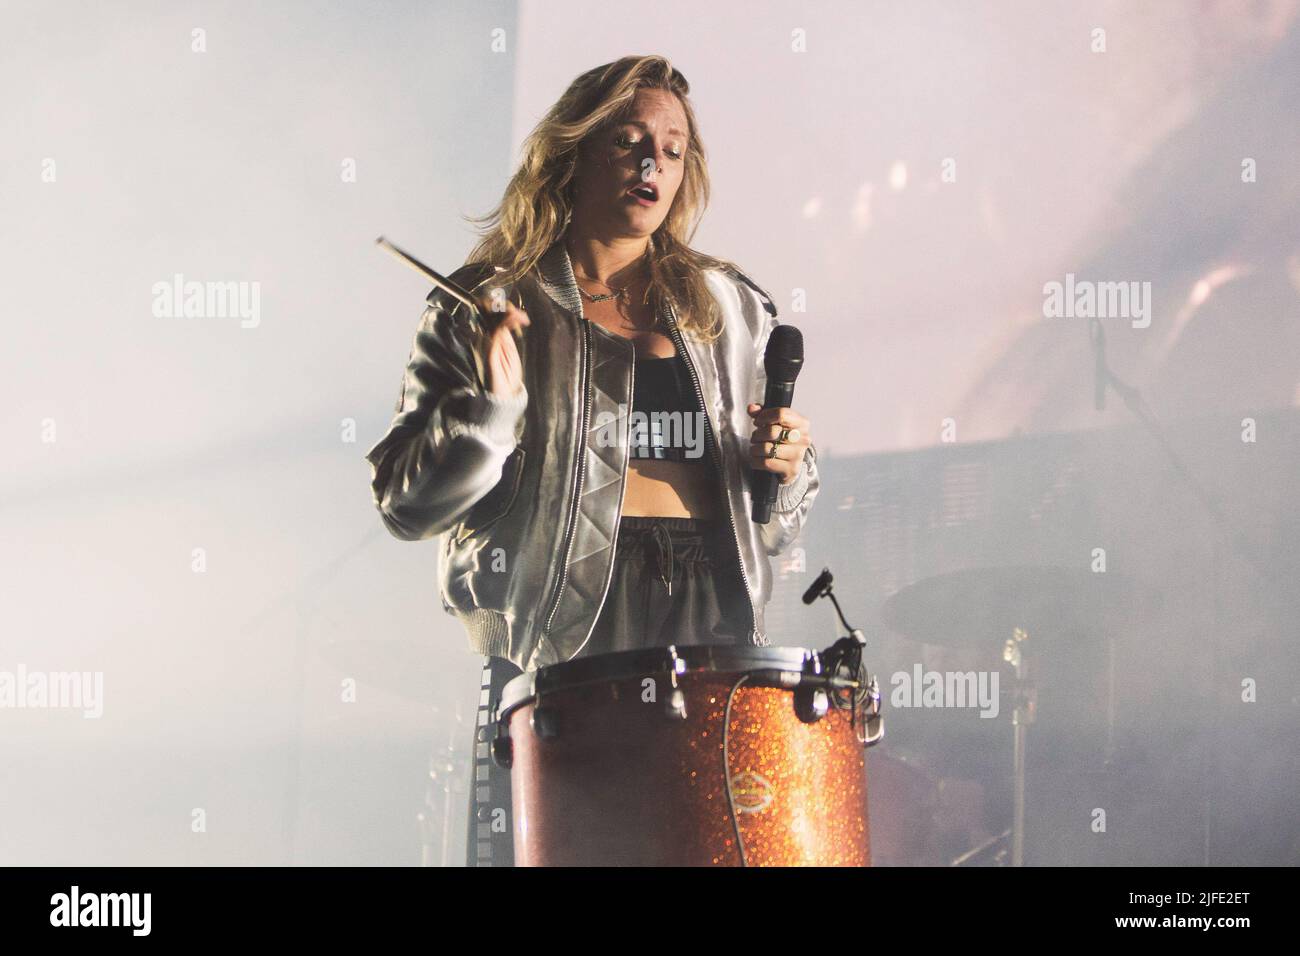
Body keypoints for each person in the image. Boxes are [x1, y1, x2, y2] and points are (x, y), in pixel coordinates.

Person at [364, 54, 820, 673]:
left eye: (672, 149)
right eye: (627, 142)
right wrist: (488, 414)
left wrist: (786, 469)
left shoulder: (732, 308)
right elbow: (405, 506)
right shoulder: (487, 302)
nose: (651, 162)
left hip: (711, 612)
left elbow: (771, 531)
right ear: (572, 156)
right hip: (555, 626)